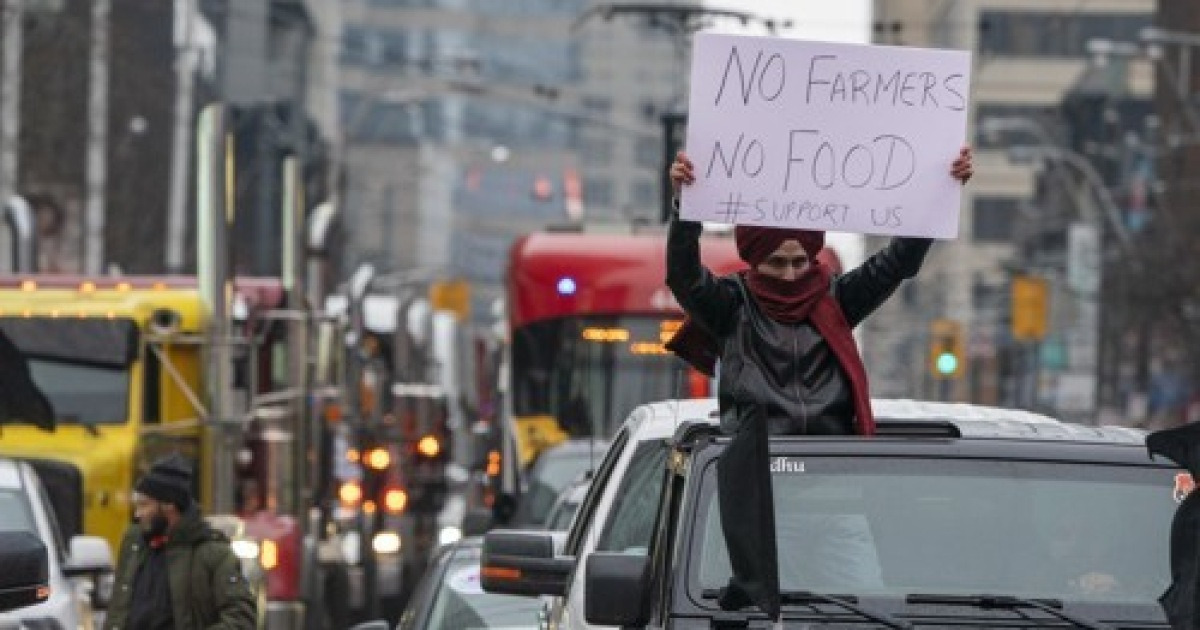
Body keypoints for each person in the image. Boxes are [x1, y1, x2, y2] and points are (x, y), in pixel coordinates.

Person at [665, 147, 973, 620]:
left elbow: (897, 263)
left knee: (861, 615)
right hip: (755, 505)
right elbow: (683, 276)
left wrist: (939, 191)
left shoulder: (838, 299)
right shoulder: (730, 306)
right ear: (752, 260)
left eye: (800, 262)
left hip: (837, 503)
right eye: (777, 264)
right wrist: (685, 208)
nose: (791, 275)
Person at [103, 453, 257, 630]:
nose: (138, 514)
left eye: (144, 505)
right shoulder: (134, 544)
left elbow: (241, 620)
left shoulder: (213, 554)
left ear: (169, 505)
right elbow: (117, 611)